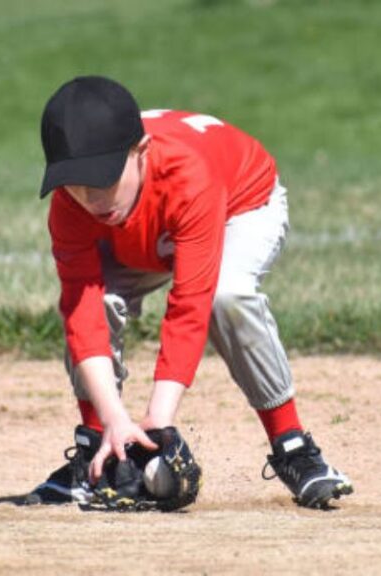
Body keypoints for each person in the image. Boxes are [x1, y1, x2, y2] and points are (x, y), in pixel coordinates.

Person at [26, 75, 353, 509]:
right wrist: (116, 421)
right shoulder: (75, 203)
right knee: (98, 300)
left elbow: (190, 306)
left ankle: (294, 447)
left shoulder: (187, 175)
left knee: (227, 295)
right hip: (140, 230)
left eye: (102, 180)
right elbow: (81, 311)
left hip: (239, 205)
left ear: (140, 152)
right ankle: (95, 453)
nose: (90, 197)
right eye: (75, 182)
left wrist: (158, 425)